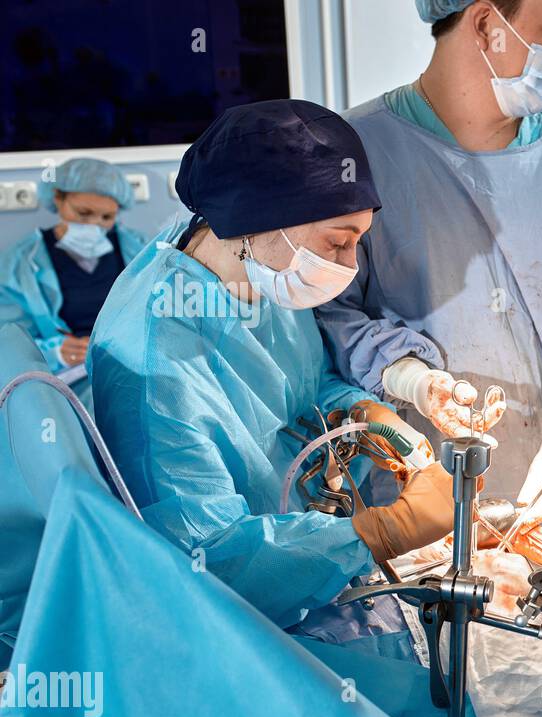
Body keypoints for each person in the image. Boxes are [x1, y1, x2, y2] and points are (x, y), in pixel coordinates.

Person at [89, 100, 457, 661]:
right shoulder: (154, 364)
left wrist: (360, 414)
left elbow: (301, 381)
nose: (350, 263)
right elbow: (211, 562)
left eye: (358, 239)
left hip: (298, 561)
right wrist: (379, 533)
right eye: (339, 240)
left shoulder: (249, 264)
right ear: (261, 216)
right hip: (233, 634)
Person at [314, 0, 542, 542]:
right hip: (414, 498)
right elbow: (327, 314)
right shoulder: (356, 155)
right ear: (487, 25)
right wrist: (411, 379)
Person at [0, 158, 145, 405]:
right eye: (83, 213)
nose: (94, 225)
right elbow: (8, 339)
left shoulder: (139, 250)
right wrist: (56, 352)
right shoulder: (21, 263)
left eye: (106, 217)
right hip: (70, 378)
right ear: (58, 198)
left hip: (132, 366)